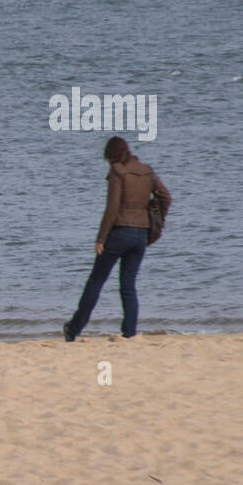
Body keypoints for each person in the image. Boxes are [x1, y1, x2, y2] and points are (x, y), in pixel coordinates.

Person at [64, 136, 172, 341]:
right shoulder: (147, 170)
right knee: (128, 285)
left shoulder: (117, 172)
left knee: (96, 280)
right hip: (141, 234)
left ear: (111, 156)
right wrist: (157, 223)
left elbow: (112, 207)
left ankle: (73, 329)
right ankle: (129, 333)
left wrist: (100, 238)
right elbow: (166, 197)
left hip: (119, 232)